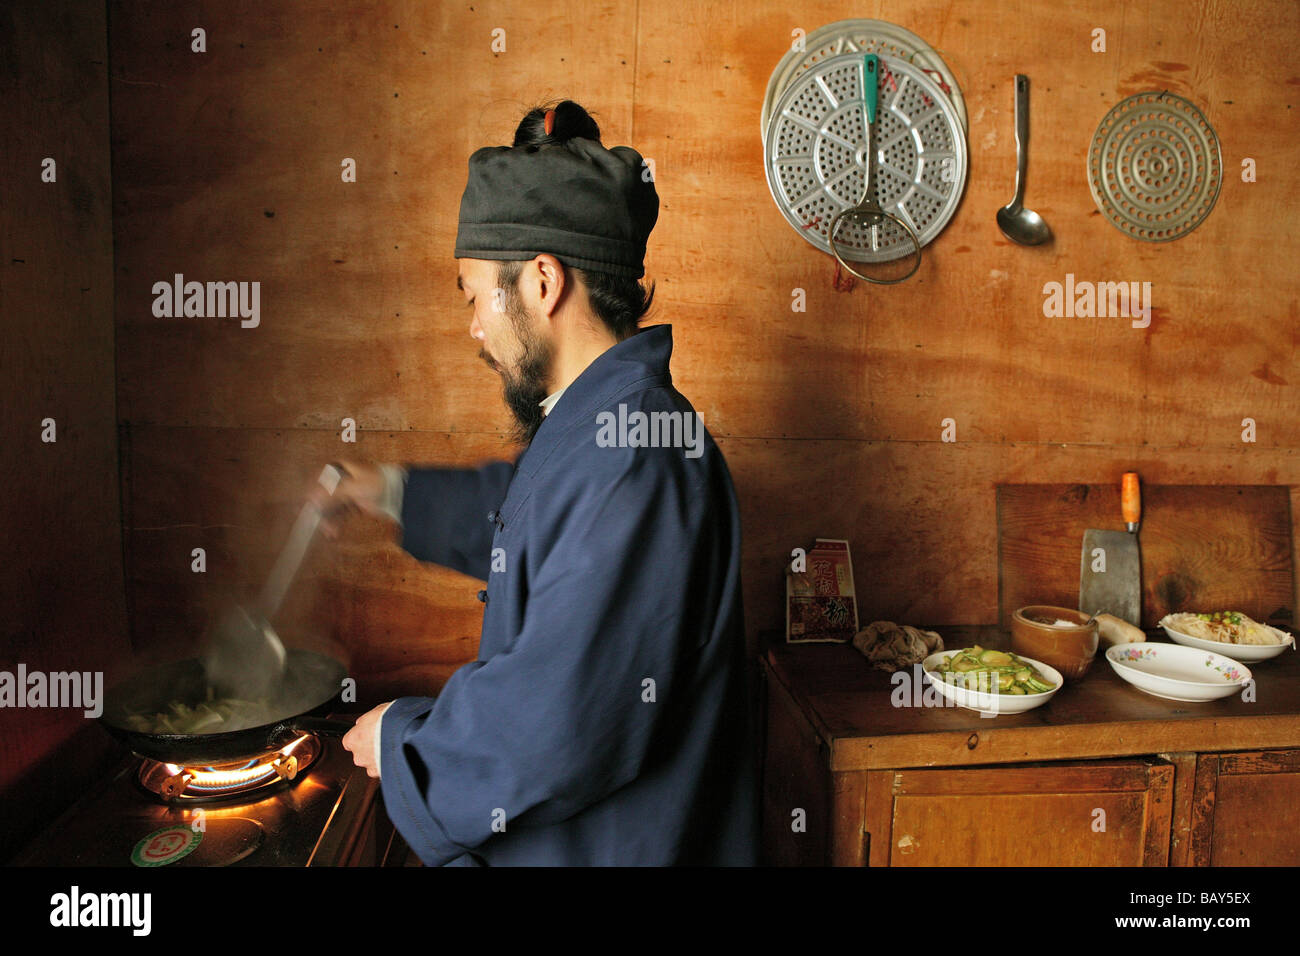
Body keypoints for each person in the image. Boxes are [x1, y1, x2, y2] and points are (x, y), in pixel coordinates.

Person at [321, 100, 756, 866]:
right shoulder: (605, 428)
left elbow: (565, 720)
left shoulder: (635, 459)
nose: (474, 329)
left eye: (476, 295)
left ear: (543, 282)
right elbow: (525, 519)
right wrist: (385, 490)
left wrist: (404, 742)